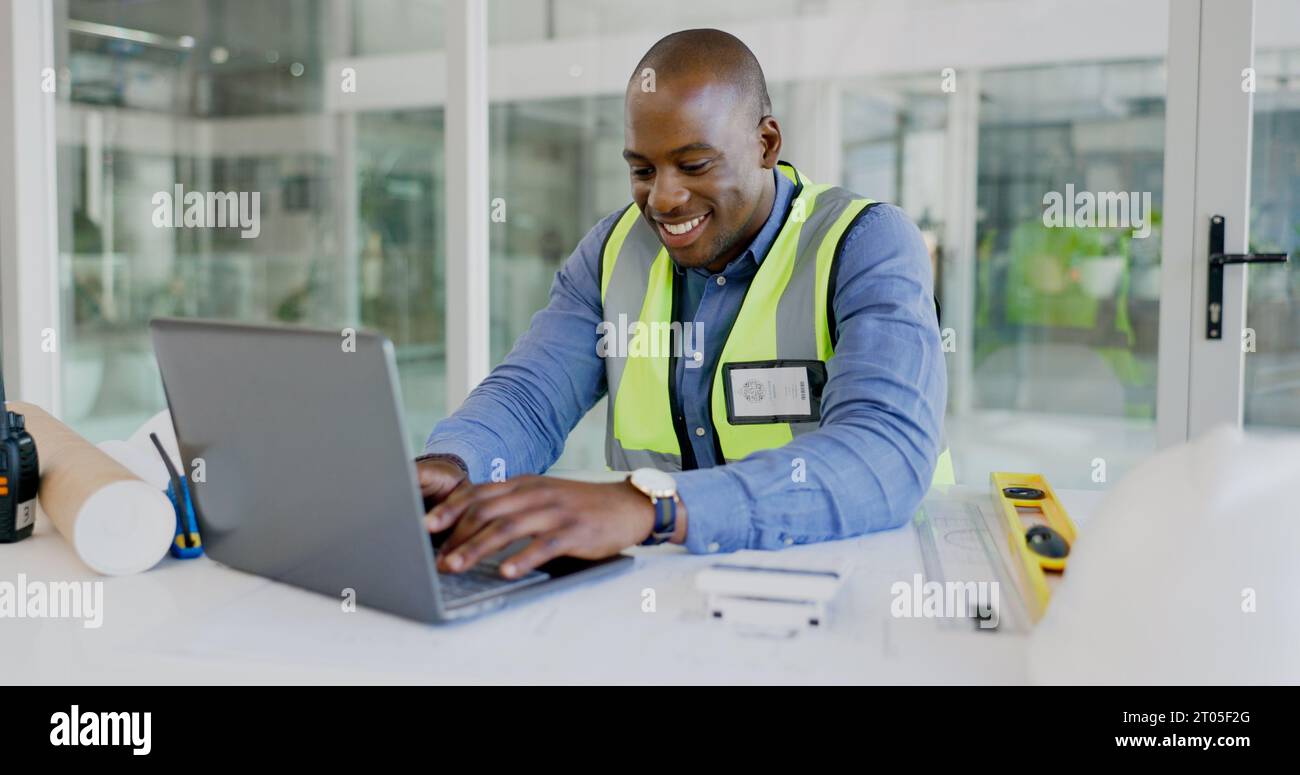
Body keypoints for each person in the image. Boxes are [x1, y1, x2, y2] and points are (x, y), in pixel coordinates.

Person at [417, 28, 949, 580]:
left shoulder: (867, 243)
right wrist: (457, 462)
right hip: (673, 594)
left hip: (863, 579)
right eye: (642, 170)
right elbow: (531, 395)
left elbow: (886, 452)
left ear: (766, 145)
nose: (664, 198)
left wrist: (653, 506)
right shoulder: (611, 251)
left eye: (694, 166)